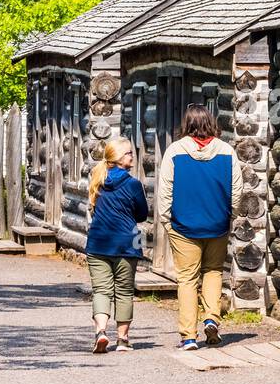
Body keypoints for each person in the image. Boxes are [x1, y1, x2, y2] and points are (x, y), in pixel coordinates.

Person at [158, 105, 241, 351]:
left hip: (183, 225)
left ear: (187, 124)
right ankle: (211, 319)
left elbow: (165, 191)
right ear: (211, 122)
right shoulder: (227, 151)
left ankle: (188, 336)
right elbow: (236, 191)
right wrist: (229, 215)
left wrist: (166, 220)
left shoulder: (174, 151)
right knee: (214, 271)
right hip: (217, 223)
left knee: (187, 279)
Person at [85, 137, 149, 353]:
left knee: (101, 290)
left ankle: (101, 332)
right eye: (130, 153)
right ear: (121, 158)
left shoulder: (98, 178)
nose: (133, 156)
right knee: (123, 292)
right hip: (127, 243)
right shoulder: (133, 184)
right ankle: (122, 339)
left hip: (98, 243)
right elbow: (142, 214)